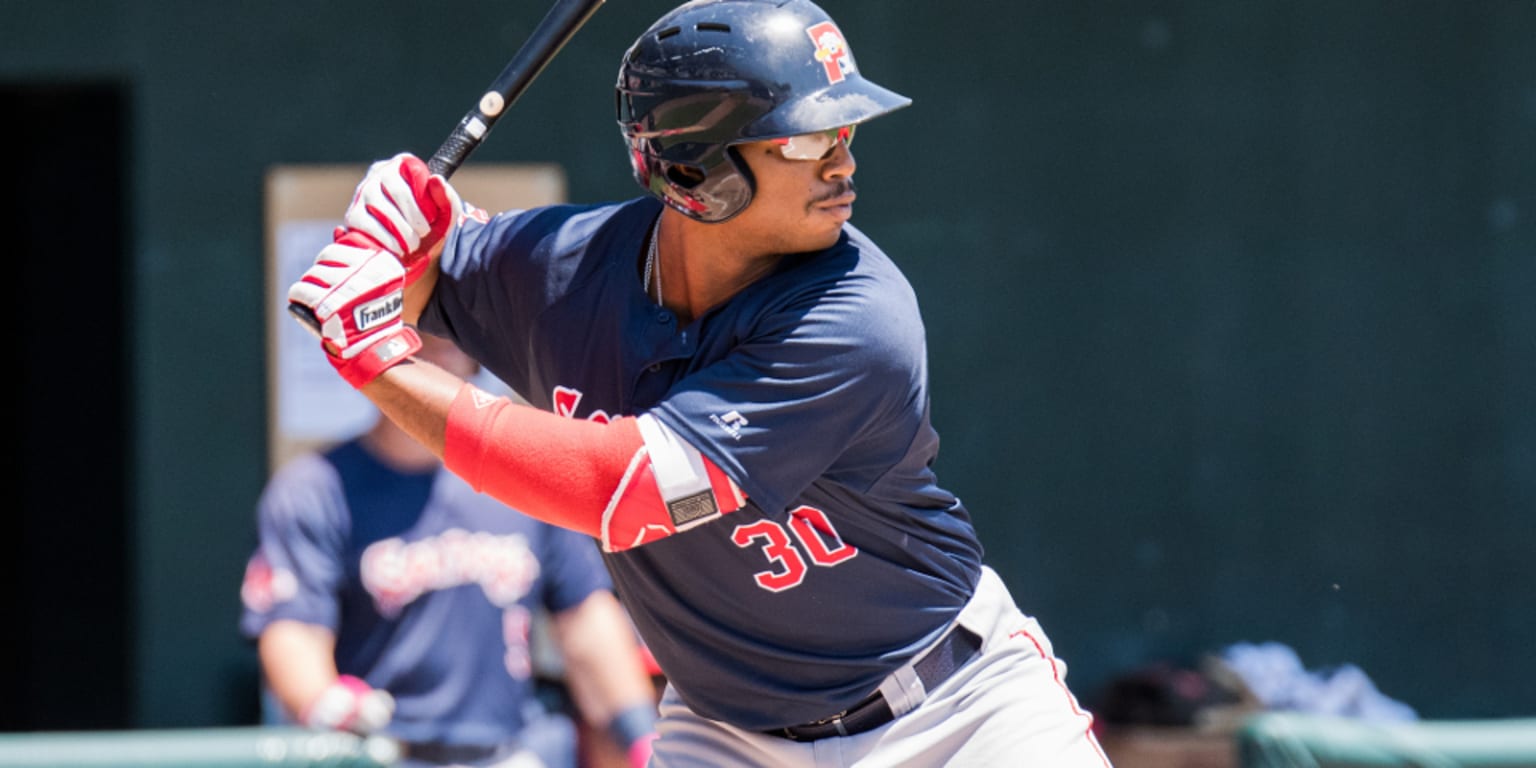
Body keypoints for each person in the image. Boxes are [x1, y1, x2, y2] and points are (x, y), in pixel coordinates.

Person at [284, 0, 1113, 765]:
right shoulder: (565, 269)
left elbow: (617, 491)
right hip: (727, 734)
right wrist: (395, 236)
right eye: (806, 139)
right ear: (694, 169)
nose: (842, 163)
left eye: (846, 132)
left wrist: (378, 362)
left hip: (953, 714)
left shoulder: (856, 316)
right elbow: (416, 276)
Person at [239, 332, 660, 768]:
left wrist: (641, 737)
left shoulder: (521, 475)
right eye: (416, 325)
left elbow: (587, 623)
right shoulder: (315, 489)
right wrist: (326, 703)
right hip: (386, 753)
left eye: (446, 324)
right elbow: (295, 634)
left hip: (508, 752)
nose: (436, 340)